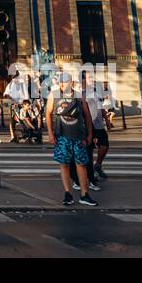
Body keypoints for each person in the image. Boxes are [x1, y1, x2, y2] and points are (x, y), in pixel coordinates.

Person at [46, 72, 97, 207]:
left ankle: (84, 194)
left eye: (65, 82)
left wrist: (90, 134)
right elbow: (48, 113)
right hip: (62, 136)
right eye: (61, 82)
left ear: (71, 83)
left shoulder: (79, 96)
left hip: (79, 136)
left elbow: (87, 116)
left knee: (81, 164)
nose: (62, 84)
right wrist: (50, 133)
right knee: (64, 164)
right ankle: (68, 193)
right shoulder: (54, 95)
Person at [5, 71, 32, 142]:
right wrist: (12, 99)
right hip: (14, 105)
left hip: (22, 104)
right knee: (12, 121)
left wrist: (26, 104)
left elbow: (26, 95)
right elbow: (6, 94)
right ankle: (12, 136)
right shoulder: (11, 84)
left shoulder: (22, 83)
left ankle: (25, 133)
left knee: (24, 119)